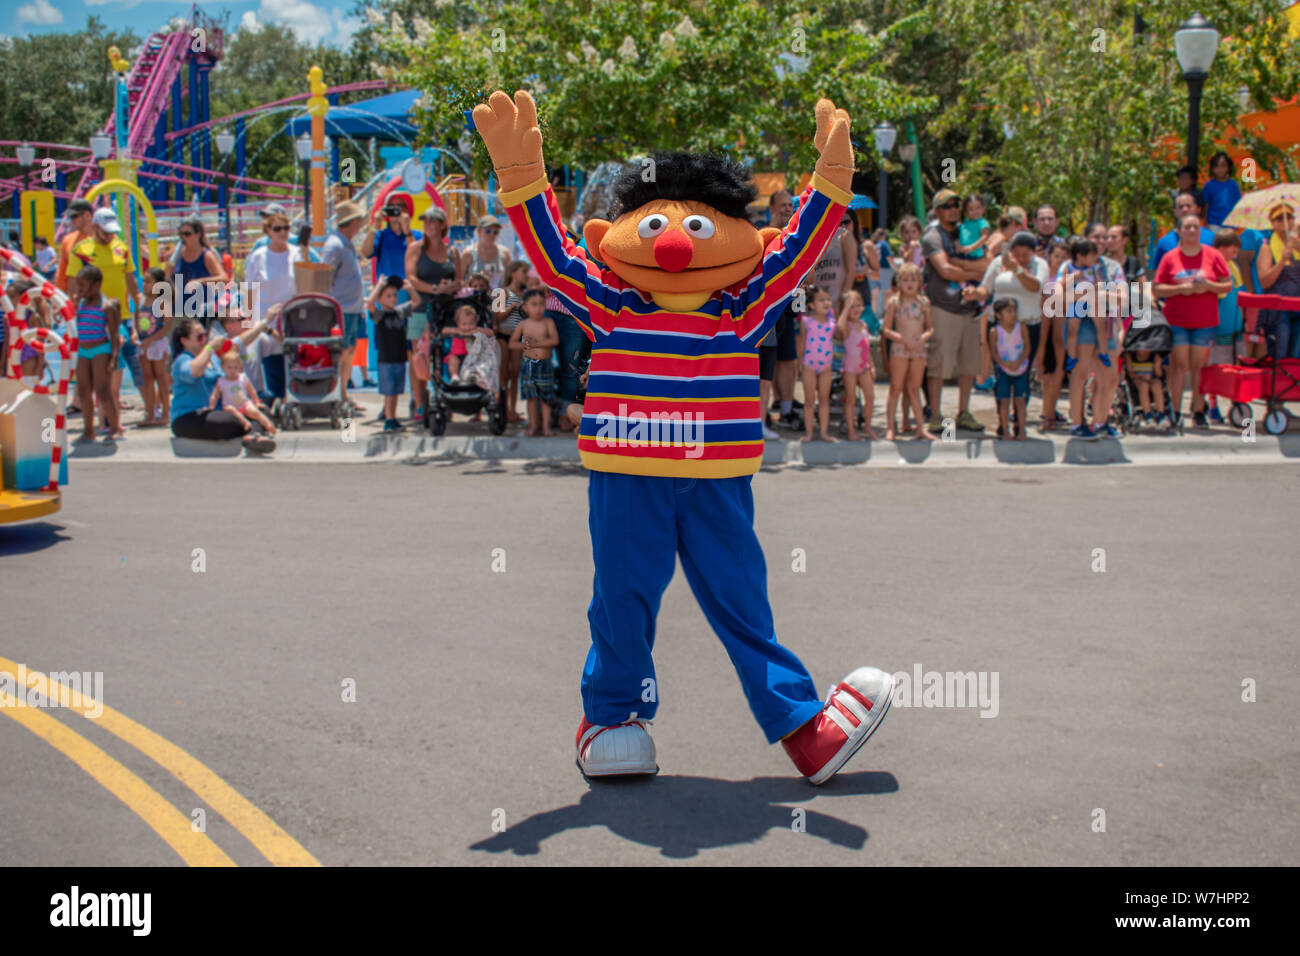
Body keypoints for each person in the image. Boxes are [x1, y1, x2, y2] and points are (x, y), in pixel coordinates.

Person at [1153, 213, 1232, 428]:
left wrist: (1208, 287)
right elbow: (1158, 288)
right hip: (1177, 320)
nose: (1192, 230)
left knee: (1198, 366)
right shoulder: (1170, 257)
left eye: (1196, 227)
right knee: (1179, 366)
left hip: (1205, 321)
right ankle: (1175, 411)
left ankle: (1199, 410)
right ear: (1178, 230)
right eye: (1187, 227)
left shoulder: (1213, 255)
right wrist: (1180, 289)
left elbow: (1227, 285)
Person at [922, 189, 988, 433]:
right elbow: (945, 270)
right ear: (937, 211)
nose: (953, 209)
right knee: (939, 365)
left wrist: (963, 266)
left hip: (970, 309)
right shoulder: (932, 235)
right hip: (943, 307)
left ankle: (964, 412)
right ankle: (936, 414)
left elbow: (989, 263)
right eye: (947, 205)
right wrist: (976, 272)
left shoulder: (968, 230)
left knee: (969, 365)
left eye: (955, 204)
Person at [967, 231, 1047, 415]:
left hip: (1027, 326)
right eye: (1016, 254)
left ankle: (1019, 416)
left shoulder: (1040, 265)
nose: (1020, 258)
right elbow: (985, 289)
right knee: (1001, 373)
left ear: (1033, 253)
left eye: (1025, 255)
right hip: (999, 327)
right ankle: (1002, 416)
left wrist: (1017, 270)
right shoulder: (998, 263)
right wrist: (974, 293)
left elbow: (1037, 287)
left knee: (1023, 373)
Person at [170, 318, 275, 453]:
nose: (205, 339)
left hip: (216, 411)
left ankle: (253, 436)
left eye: (206, 335)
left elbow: (238, 347)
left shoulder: (212, 358)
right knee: (230, 421)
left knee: (260, 410)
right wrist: (210, 347)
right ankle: (254, 432)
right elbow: (194, 372)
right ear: (184, 341)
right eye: (200, 337)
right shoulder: (182, 360)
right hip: (189, 416)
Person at [405, 206, 460, 421]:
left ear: (442, 225)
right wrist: (437, 289)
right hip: (421, 309)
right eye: (425, 221)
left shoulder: (451, 252)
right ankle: (419, 405)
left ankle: (447, 401)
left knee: (446, 356)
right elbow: (411, 278)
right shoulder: (415, 249)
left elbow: (460, 280)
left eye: (433, 221)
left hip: (446, 311)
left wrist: (451, 286)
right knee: (418, 358)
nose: (428, 225)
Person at [243, 209, 298, 408]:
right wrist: (249, 324)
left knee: (290, 362)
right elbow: (249, 289)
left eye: (286, 228)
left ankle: (289, 400)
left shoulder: (297, 253)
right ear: (268, 231)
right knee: (261, 359)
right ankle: (262, 398)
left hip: (291, 319)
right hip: (265, 320)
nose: (282, 232)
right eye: (277, 229)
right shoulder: (258, 257)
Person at [320, 200, 367, 408]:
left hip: (352, 308)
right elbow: (325, 275)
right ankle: (339, 394)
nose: (360, 225)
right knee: (342, 352)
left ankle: (343, 393)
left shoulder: (344, 244)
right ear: (350, 222)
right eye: (358, 221)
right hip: (341, 309)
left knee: (348, 351)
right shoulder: (336, 245)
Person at [881, 263, 934, 440]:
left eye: (913, 279)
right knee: (896, 388)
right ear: (899, 282)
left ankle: (920, 428)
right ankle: (891, 427)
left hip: (918, 350)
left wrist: (922, 339)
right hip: (900, 348)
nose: (909, 284)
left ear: (919, 282)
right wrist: (903, 340)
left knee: (914, 389)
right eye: (905, 280)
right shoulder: (894, 302)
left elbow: (930, 328)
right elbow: (886, 330)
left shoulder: (924, 302)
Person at [71, 265, 122, 443]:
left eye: (83, 286)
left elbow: (115, 334)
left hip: (100, 349)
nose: (80, 290)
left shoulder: (107, 305)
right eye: (78, 286)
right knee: (84, 392)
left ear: (96, 285)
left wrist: (114, 357)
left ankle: (115, 428)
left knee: (103, 390)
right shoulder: (81, 304)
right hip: (82, 350)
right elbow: (72, 324)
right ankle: (88, 431)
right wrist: (75, 306)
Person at [366, 275, 417, 432]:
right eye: (388, 296)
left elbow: (416, 302)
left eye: (394, 295)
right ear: (380, 299)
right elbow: (370, 303)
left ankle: (393, 418)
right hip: (386, 360)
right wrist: (379, 286)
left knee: (396, 392)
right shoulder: (380, 315)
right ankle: (388, 419)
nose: (393, 298)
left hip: (399, 358)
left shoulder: (400, 312)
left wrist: (410, 289)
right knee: (389, 393)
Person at [1206, 229, 1245, 423]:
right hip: (1220, 327)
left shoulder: (1233, 266)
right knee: (1217, 366)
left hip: (1235, 325)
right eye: (1233, 248)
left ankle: (1233, 403)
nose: (1236, 251)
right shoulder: (1213, 266)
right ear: (1222, 247)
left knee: (1233, 366)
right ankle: (1213, 406)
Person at [1254, 201, 1300, 361]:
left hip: (1298, 308)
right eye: (1280, 218)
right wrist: (1281, 261)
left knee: (1296, 356)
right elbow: (1265, 282)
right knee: (1280, 356)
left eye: (1289, 217)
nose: (1285, 221)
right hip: (1278, 312)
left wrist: (1297, 247)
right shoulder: (1267, 248)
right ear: (1272, 224)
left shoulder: (1298, 245)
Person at [510, 289, 559, 436]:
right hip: (529, 364)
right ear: (525, 307)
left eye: (541, 304)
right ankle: (533, 425)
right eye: (534, 304)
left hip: (545, 364)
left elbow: (554, 340)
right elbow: (512, 343)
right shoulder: (523, 324)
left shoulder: (548, 322)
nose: (538, 308)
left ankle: (545, 427)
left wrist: (537, 343)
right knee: (531, 398)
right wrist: (524, 346)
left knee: (546, 398)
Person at [797, 286, 838, 443]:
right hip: (809, 365)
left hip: (826, 367)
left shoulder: (832, 323)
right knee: (809, 401)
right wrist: (802, 364)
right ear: (812, 305)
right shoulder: (806, 322)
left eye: (828, 299)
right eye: (821, 300)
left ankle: (824, 432)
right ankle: (809, 433)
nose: (826, 302)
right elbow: (801, 345)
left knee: (824, 400)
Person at [209, 343, 276, 436]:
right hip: (231, 406)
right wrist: (211, 407)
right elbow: (215, 395)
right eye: (229, 368)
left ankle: (268, 425)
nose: (232, 371)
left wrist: (256, 401)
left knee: (255, 412)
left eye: (235, 368)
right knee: (230, 409)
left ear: (240, 367)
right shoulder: (221, 381)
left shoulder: (242, 378)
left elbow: (251, 390)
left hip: (244, 404)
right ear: (223, 368)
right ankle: (245, 422)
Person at [136, 267, 174, 426]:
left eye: (149, 282)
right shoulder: (139, 300)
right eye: (144, 281)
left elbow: (167, 326)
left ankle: (166, 412)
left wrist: (151, 340)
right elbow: (135, 320)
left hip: (157, 343)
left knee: (161, 377)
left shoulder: (162, 302)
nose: (144, 285)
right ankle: (150, 413)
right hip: (143, 344)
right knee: (147, 378)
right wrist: (134, 334)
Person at [1148, 191, 1216, 278]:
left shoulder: (1212, 238)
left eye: (1188, 206)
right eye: (1180, 207)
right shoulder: (1164, 242)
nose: (1185, 209)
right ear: (1175, 212)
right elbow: (1157, 276)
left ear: (1196, 208)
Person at [837, 289, 876, 440]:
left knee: (870, 397)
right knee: (851, 399)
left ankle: (867, 426)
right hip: (849, 369)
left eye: (858, 305)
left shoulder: (863, 325)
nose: (855, 309)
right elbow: (839, 326)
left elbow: (867, 349)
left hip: (864, 367)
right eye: (851, 306)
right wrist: (846, 308)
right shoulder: (846, 326)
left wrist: (871, 366)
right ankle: (852, 430)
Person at [989, 298, 1029, 440]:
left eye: (1015, 311)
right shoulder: (995, 331)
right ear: (999, 315)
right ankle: (1005, 430)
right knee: (1004, 401)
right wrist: (1004, 364)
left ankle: (1022, 431)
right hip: (1003, 370)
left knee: (1020, 401)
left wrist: (1019, 361)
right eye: (1009, 311)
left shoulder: (1022, 328)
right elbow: (993, 352)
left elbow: (1027, 347)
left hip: (1021, 369)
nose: (1013, 314)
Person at [495, 260, 530, 423]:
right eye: (523, 271)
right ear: (513, 272)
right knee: (503, 373)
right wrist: (513, 307)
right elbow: (497, 317)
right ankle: (502, 408)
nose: (526, 275)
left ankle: (512, 410)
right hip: (503, 335)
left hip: (517, 337)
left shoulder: (525, 294)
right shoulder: (501, 292)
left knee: (515, 373)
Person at [171, 216, 228, 304]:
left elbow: (224, 278)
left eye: (187, 234)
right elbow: (166, 277)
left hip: (202, 308)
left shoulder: (206, 255)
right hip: (180, 307)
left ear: (198, 235)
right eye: (181, 234)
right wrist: (173, 258)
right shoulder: (177, 254)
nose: (183, 237)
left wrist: (199, 281)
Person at [459, 215, 511, 288]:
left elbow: (510, 280)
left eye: (495, 232)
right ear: (479, 232)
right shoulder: (468, 254)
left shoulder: (505, 253)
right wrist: (478, 281)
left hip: (498, 297)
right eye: (488, 231)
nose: (492, 235)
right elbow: (460, 281)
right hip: (476, 297)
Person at [55, 198, 95, 294]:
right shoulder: (68, 240)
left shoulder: (103, 237)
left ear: (87, 215)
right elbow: (62, 272)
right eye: (70, 217)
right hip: (76, 297)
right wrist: (60, 296)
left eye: (74, 216)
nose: (72, 220)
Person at [1202, 152, 1241, 228]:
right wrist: (1205, 223)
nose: (1220, 169)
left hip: (1230, 223)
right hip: (1213, 223)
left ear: (1228, 167)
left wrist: (1238, 221)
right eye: (1216, 166)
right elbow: (1206, 205)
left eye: (1223, 166)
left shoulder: (1233, 184)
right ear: (1212, 168)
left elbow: (1237, 204)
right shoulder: (1208, 185)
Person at [957, 194, 991, 261]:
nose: (975, 211)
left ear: (983, 209)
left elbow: (984, 237)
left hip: (974, 255)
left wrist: (971, 248)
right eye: (971, 209)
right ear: (966, 212)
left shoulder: (982, 222)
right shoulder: (964, 223)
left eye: (978, 208)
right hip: (962, 253)